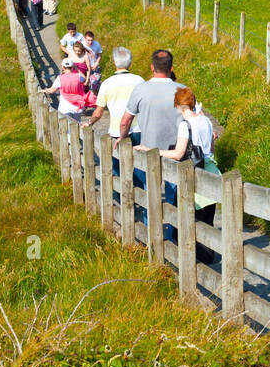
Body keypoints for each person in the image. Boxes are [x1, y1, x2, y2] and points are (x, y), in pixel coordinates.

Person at [135, 85, 220, 263]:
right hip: (211, 174)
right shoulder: (207, 122)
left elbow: (178, 154)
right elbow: (210, 150)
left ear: (179, 107)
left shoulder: (185, 125)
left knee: (184, 226)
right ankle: (207, 259)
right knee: (206, 222)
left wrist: (151, 150)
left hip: (192, 177)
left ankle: (189, 266)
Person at [119, 49, 184, 241]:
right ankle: (172, 237)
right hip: (175, 153)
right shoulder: (182, 90)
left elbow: (125, 121)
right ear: (171, 68)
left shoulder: (141, 89)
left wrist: (122, 139)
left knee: (150, 195)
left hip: (148, 151)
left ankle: (151, 236)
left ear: (152, 67)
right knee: (173, 196)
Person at [89, 47, 145, 167]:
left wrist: (89, 123)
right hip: (139, 129)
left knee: (119, 168)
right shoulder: (139, 80)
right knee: (140, 167)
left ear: (114, 62)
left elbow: (98, 113)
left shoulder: (107, 84)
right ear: (130, 62)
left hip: (117, 131)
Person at [42, 58, 88, 122]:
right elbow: (84, 79)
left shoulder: (60, 78)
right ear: (72, 67)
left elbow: (51, 90)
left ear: (63, 67)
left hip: (65, 107)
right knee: (77, 126)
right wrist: (77, 69)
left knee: (68, 127)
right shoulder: (78, 76)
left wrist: (44, 90)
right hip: (77, 107)